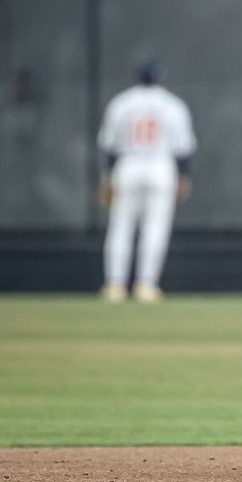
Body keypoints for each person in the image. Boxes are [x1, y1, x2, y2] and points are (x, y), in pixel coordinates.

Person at [97, 60, 196, 303]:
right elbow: (184, 148)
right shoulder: (172, 104)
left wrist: (108, 175)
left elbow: (109, 145)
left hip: (128, 165)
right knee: (156, 229)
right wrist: (183, 176)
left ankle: (115, 285)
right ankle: (146, 285)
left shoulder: (121, 102)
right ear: (159, 79)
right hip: (161, 167)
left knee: (120, 227)